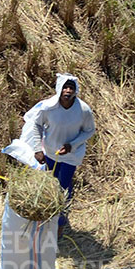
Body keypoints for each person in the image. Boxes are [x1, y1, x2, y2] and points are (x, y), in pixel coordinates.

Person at [21, 73, 96, 228]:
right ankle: (50, 215)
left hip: (71, 155)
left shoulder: (83, 110)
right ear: (59, 89)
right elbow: (36, 125)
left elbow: (89, 131)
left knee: (64, 187)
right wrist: (37, 149)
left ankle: (60, 222)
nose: (68, 91)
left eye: (71, 88)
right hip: (50, 153)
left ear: (76, 91)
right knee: (52, 185)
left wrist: (72, 145)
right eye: (65, 87)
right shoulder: (49, 108)